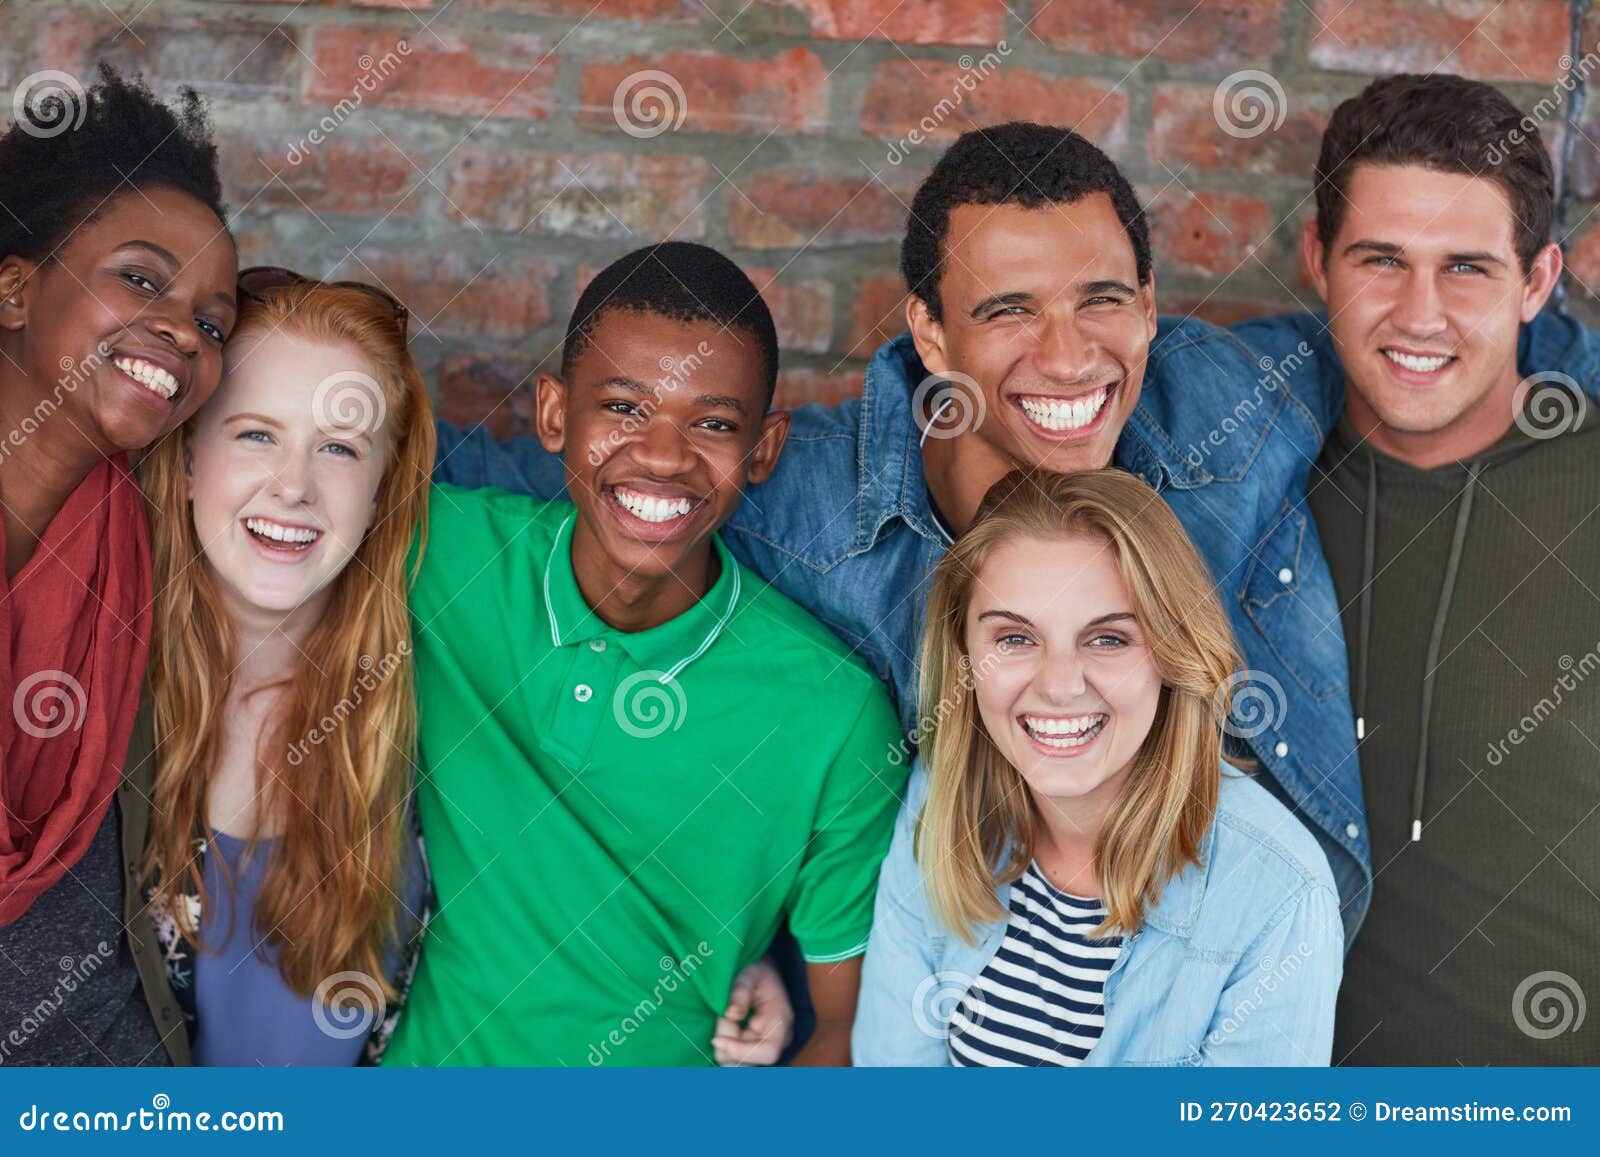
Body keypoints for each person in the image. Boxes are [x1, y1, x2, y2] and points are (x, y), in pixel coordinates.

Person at [430, 124, 1371, 947]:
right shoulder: (813, 502)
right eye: (1008, 310)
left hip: (1248, 980)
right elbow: (567, 468)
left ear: (1150, 304)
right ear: (929, 332)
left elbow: (1432, 336)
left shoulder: (1236, 402)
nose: (1070, 354)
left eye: (1102, 299)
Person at [381, 242, 905, 1067]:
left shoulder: (835, 716)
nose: (664, 454)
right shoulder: (434, 554)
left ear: (764, 450)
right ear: (555, 415)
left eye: (713, 423)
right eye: (624, 408)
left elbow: (854, 1026)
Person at [1233, 74, 1600, 1064]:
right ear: (1317, 260)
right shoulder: (1230, 485)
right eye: (1380, 259)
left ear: (1536, 280)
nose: (1419, 312)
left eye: (1468, 268)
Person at [852, 468, 1342, 1065]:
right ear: (964, 654)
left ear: (1171, 652)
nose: (1060, 686)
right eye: (1014, 638)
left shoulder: (1279, 893)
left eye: (1108, 639)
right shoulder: (940, 799)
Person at [0, 65, 238, 1066]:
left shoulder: (160, 540)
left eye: (215, 321)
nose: (184, 328)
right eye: (141, 278)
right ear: (15, 286)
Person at [137, 271, 433, 1065]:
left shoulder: (435, 701)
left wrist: (736, 960)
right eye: (255, 433)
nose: (294, 486)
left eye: (338, 448)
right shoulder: (100, 684)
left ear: (380, 492)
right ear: (189, 455)